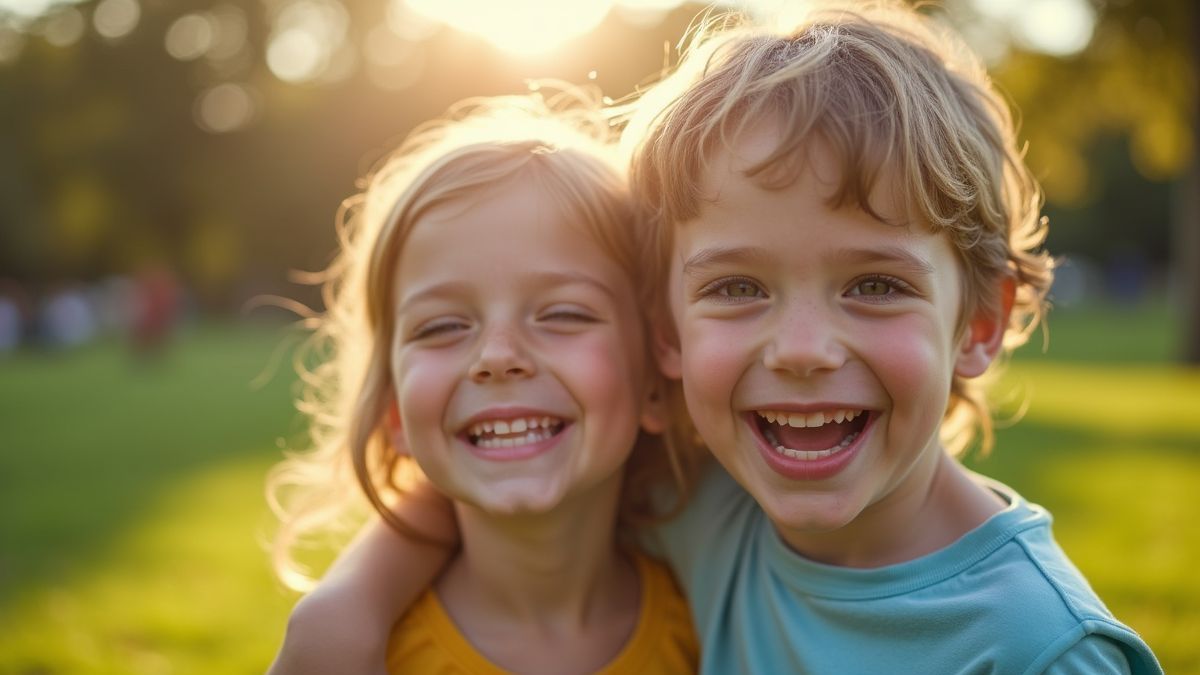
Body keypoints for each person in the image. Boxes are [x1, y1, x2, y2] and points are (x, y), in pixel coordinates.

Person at [269, 2, 1163, 673]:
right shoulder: (710, 502)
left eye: (875, 284)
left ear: (979, 322)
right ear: (668, 335)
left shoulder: (1042, 647)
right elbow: (506, 475)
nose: (803, 349)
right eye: (738, 287)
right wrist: (347, 604)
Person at [265, 91, 699, 674]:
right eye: (442, 326)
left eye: (564, 313)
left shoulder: (708, 617)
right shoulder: (359, 656)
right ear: (394, 411)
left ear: (653, 383)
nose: (496, 357)